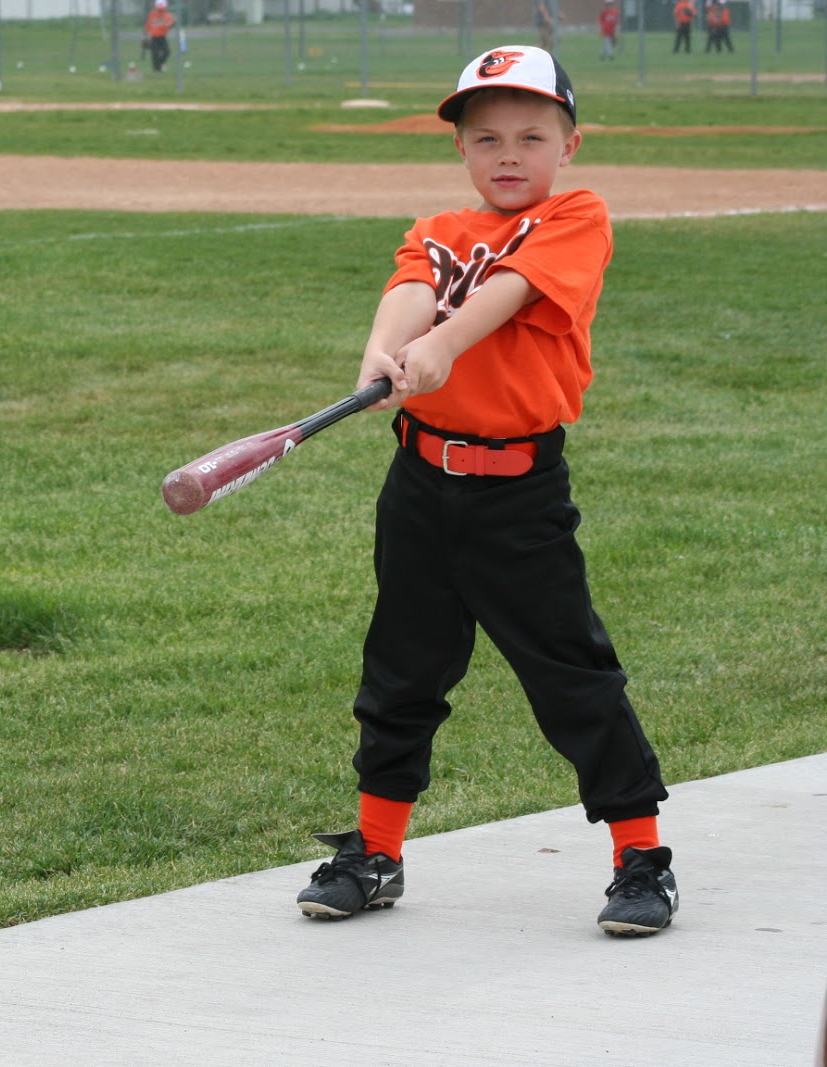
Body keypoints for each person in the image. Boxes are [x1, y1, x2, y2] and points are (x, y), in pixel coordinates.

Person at [295, 46, 678, 938]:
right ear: (462, 151)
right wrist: (384, 357)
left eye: (532, 135)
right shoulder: (438, 226)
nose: (510, 154)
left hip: (519, 499)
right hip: (420, 486)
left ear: (570, 144)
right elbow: (408, 292)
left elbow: (503, 294)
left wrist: (445, 345)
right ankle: (375, 852)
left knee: (572, 675)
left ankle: (642, 858)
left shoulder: (577, 215)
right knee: (400, 671)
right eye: (487, 137)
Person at [144, 0, 175, 73]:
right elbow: (148, 26)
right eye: (159, 9)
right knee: (155, 53)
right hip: (154, 37)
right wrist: (145, 36)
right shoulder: (152, 14)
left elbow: (169, 25)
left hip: (162, 36)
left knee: (167, 51)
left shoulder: (167, 15)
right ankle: (156, 69)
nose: (160, 10)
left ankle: (160, 64)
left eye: (162, 8)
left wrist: (172, 24)